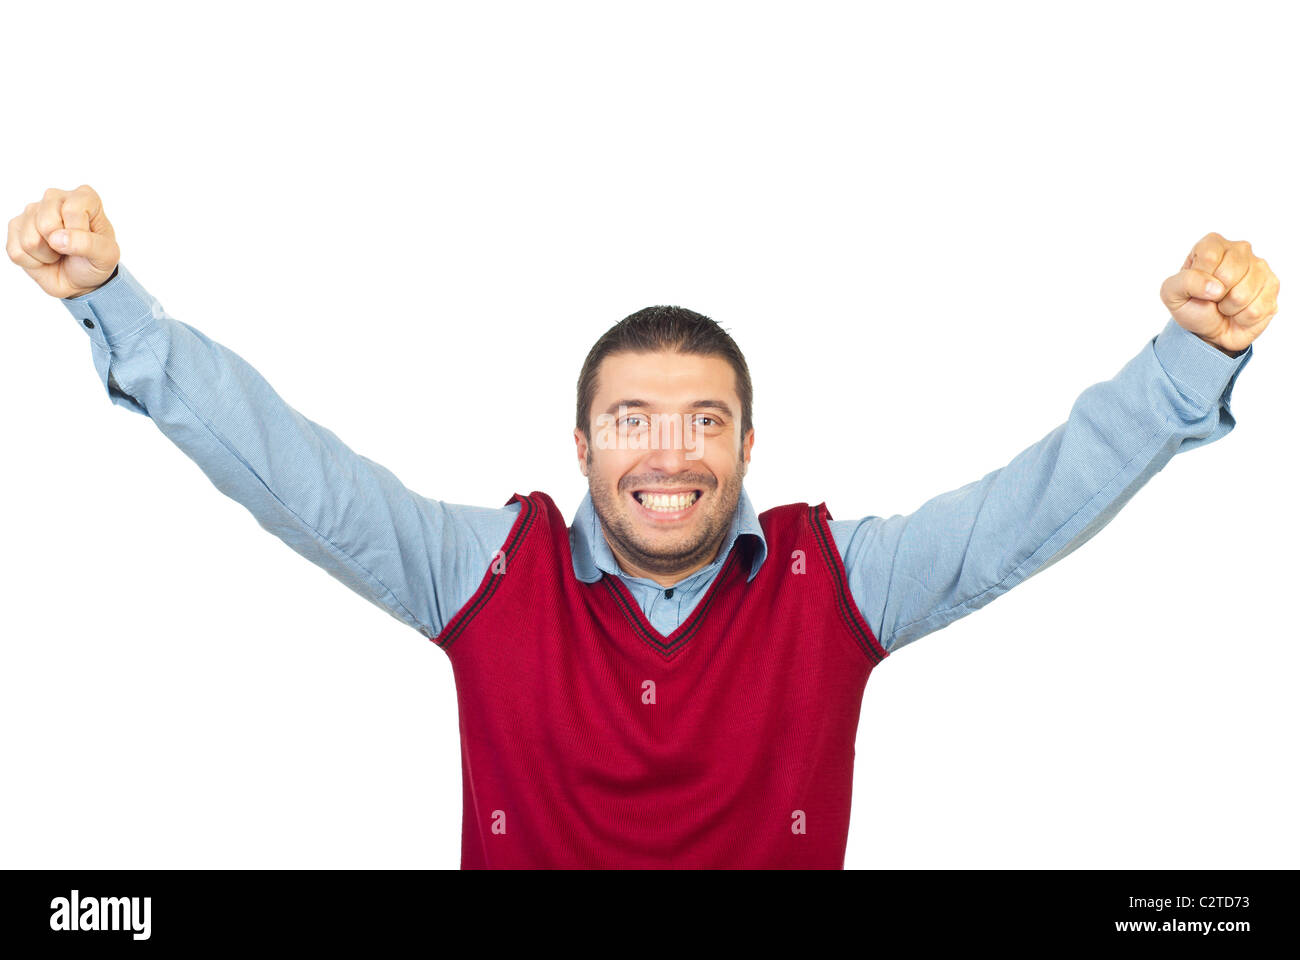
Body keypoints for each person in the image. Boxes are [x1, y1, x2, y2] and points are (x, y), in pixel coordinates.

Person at [8, 184, 1279, 869]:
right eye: (630, 420)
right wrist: (118, 306)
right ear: (581, 446)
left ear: (744, 446)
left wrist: (1188, 361)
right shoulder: (478, 571)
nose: (667, 454)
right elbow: (290, 469)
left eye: (703, 423)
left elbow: (1036, 502)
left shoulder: (835, 579)